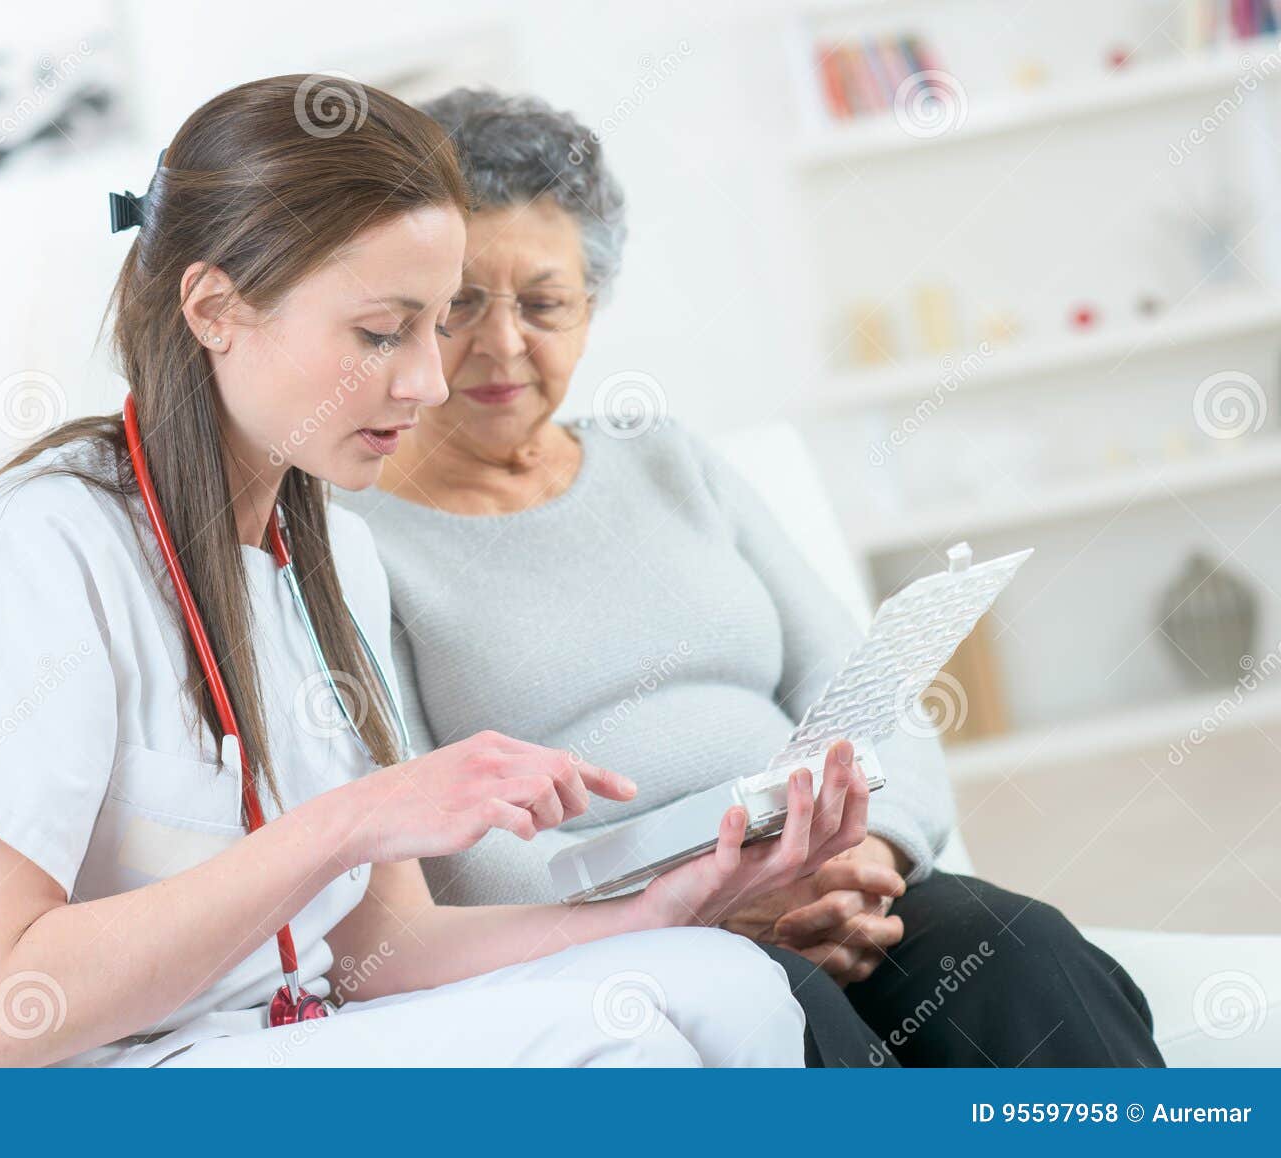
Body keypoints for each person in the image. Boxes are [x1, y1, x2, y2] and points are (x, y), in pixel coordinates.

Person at [0, 75, 870, 1069]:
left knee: (729, 984)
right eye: (382, 332)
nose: (427, 380)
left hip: (274, 1041)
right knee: (619, 1042)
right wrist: (350, 821)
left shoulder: (330, 556)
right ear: (213, 309)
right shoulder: (38, 549)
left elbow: (388, 956)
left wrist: (664, 908)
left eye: (435, 323)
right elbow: (0, 1014)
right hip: (67, 1085)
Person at [340, 89, 1164, 1068]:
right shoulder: (356, 538)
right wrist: (696, 908)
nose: (503, 343)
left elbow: (864, 687)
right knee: (796, 1019)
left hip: (826, 874)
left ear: (591, 308)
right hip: (633, 936)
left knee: (1026, 957)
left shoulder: (668, 458)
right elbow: (437, 845)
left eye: (545, 303)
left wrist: (865, 857)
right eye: (461, 305)